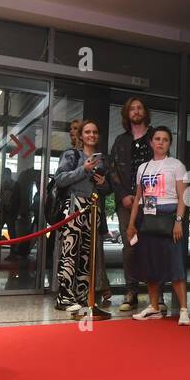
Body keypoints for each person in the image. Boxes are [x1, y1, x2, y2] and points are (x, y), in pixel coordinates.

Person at [126, 126, 190, 326]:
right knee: (149, 265)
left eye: (165, 139)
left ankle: (184, 310)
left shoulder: (176, 165)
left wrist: (179, 221)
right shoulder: (142, 168)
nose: (161, 142)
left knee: (175, 265)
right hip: (148, 219)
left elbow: (184, 197)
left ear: (169, 144)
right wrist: (131, 224)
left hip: (170, 219)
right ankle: (154, 307)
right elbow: (138, 198)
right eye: (157, 138)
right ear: (151, 142)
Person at [52, 120, 111, 312]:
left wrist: (102, 183)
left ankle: (82, 295)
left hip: (94, 208)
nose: (91, 135)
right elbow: (60, 179)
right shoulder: (72, 154)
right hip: (74, 206)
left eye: (94, 132)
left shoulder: (102, 160)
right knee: (69, 252)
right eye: (87, 132)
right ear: (81, 135)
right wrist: (83, 169)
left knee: (87, 254)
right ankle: (64, 297)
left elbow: (107, 189)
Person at [109, 98, 155, 313]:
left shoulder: (155, 136)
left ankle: (157, 296)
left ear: (145, 112)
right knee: (130, 247)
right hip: (126, 201)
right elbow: (113, 170)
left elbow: (163, 166)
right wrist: (123, 195)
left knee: (153, 246)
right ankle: (131, 293)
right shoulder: (120, 140)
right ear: (127, 114)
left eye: (139, 108)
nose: (136, 112)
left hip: (153, 201)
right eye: (132, 109)